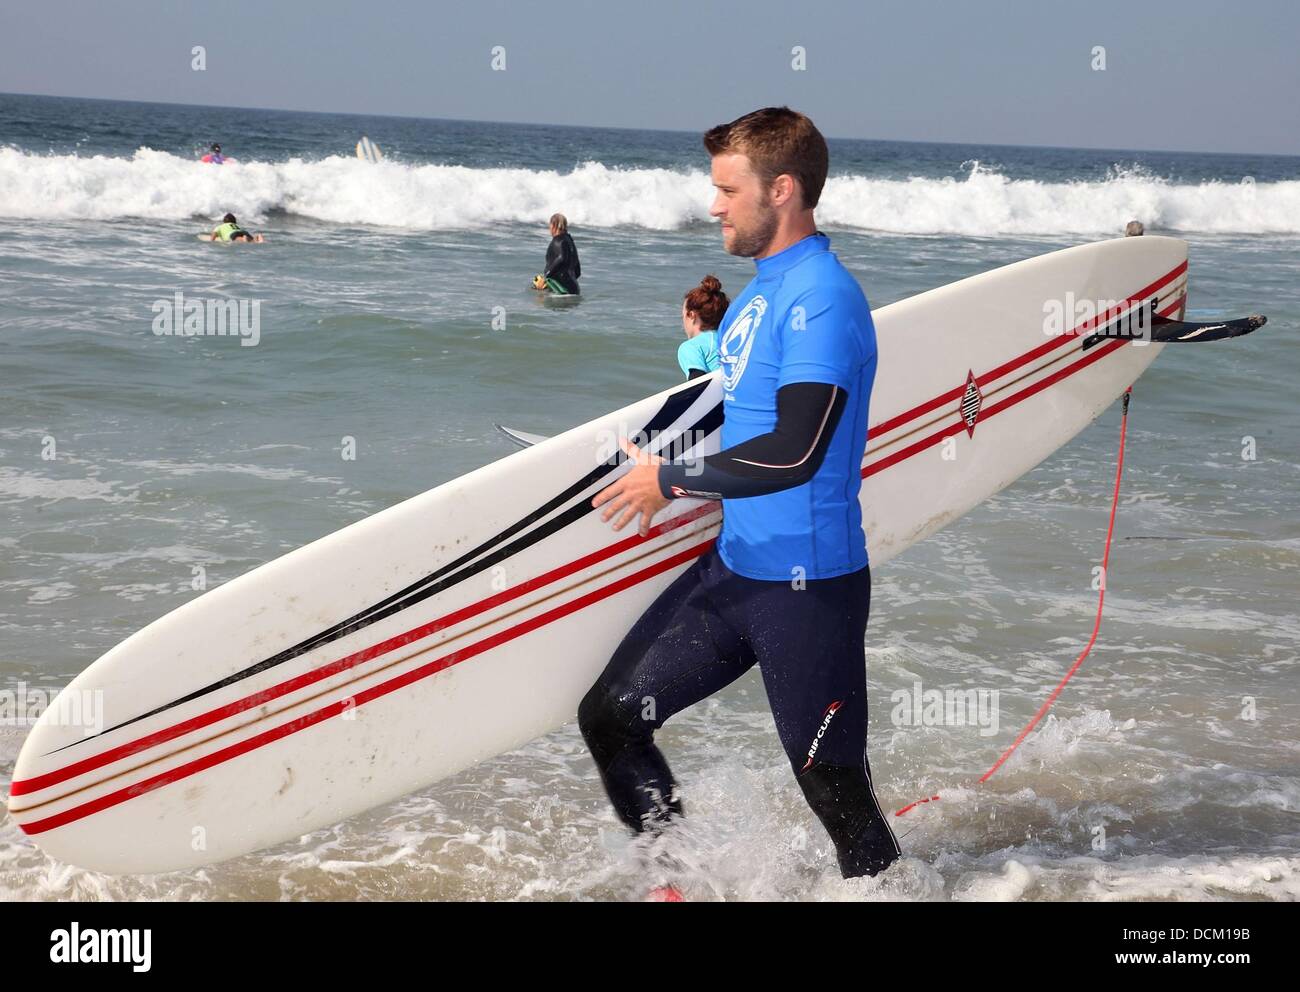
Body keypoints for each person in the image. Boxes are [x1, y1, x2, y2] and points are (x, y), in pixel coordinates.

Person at [580, 107, 900, 894]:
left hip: (808, 589)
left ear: (782, 189)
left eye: (728, 189)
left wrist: (670, 483)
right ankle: (679, 884)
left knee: (832, 785)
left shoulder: (824, 299)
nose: (714, 205)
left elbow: (796, 448)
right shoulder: (760, 296)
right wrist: (659, 451)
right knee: (613, 717)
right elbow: (738, 410)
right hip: (735, 570)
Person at [677, 275, 728, 379]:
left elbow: (697, 383)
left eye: (683, 316)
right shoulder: (731, 340)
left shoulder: (691, 347)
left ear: (691, 315)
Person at [536, 213, 580, 294]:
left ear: (553, 225)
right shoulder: (570, 242)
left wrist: (545, 277)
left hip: (560, 290)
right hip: (574, 289)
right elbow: (578, 271)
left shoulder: (558, 241)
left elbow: (562, 258)